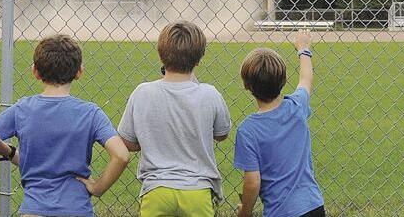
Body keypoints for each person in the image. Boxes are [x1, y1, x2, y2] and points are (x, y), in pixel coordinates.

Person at [0, 34, 131, 217]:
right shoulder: (91, 113)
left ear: (35, 72)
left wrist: (10, 153)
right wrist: (97, 187)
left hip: (34, 210)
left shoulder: (22, 110)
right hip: (77, 209)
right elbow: (121, 155)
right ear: (79, 72)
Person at [117, 21, 232, 217]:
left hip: (156, 190)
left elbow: (127, 141)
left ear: (160, 54)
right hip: (197, 190)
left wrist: (151, 139)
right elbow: (222, 134)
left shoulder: (143, 92)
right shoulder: (209, 94)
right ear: (199, 59)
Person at [233, 31, 325, 217]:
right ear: (283, 80)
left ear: (246, 86)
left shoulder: (248, 130)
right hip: (313, 206)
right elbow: (306, 80)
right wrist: (304, 49)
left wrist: (245, 212)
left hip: (280, 211)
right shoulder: (297, 106)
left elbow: (252, 182)